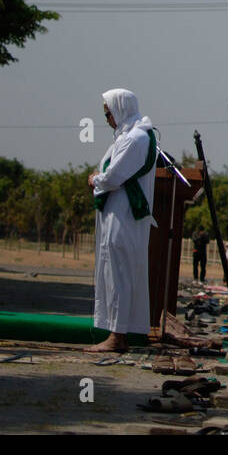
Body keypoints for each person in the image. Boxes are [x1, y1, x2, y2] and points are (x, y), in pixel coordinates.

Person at [88, 88, 160, 353]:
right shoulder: (128, 136)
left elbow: (113, 176)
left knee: (119, 273)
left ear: (120, 109)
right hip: (118, 212)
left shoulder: (135, 138)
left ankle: (117, 336)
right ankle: (117, 332)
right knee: (116, 271)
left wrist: (95, 179)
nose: (106, 118)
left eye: (108, 113)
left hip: (124, 214)